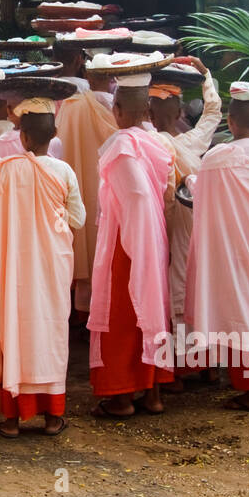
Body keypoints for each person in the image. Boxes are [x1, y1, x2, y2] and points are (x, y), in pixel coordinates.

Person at [0, 82, 85, 438]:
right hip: (52, 267)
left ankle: (11, 418)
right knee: (50, 330)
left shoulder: (3, 170)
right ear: (53, 134)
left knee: (14, 328)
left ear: (20, 135)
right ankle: (52, 417)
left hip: (13, 269)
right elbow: (77, 220)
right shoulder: (64, 172)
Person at [185, 82, 249, 412]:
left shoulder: (215, 159)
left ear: (230, 121)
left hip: (234, 252)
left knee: (242, 313)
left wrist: (187, 179)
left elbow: (201, 195)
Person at [88, 72, 175, 418]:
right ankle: (152, 392)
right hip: (153, 237)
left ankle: (121, 396)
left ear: (119, 108)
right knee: (151, 309)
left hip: (127, 241)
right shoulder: (156, 142)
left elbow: (137, 195)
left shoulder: (123, 143)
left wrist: (136, 239)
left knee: (124, 316)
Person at [147, 56, 222, 365]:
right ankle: (203, 358)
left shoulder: (148, 143)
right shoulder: (192, 141)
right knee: (199, 282)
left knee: (174, 285)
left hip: (168, 220)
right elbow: (212, 113)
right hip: (197, 219)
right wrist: (206, 76)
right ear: (179, 114)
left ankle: (182, 360)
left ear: (148, 116)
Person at [56, 60, 118, 316]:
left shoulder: (71, 107)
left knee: (82, 241)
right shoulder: (117, 108)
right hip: (107, 188)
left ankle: (81, 313)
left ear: (88, 75)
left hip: (76, 183)